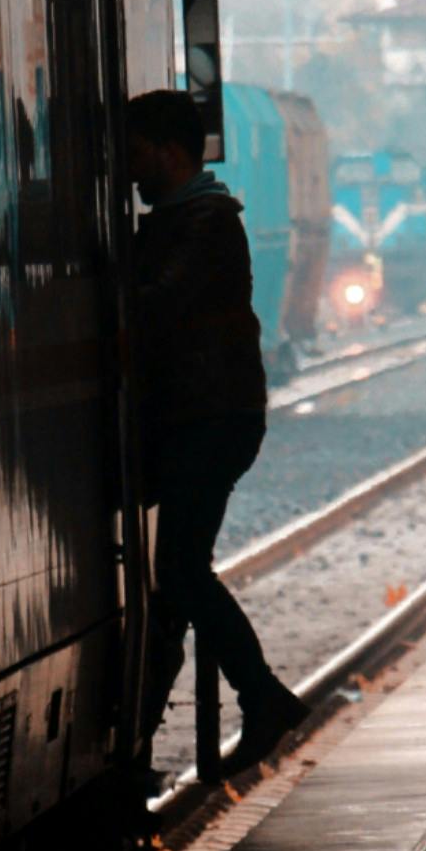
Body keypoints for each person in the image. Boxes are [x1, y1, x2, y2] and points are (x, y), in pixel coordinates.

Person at [124, 89, 308, 784]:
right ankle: (137, 740)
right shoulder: (183, 217)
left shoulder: (203, 223)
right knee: (174, 583)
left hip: (210, 418)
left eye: (137, 152)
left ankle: (261, 695)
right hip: (201, 417)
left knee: (179, 570)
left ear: (170, 152)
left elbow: (153, 303)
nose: (128, 169)